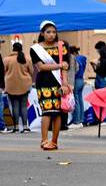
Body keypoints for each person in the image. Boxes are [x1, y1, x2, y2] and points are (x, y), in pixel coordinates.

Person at [29, 21, 70, 151]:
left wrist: (65, 84)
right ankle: (44, 140)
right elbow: (41, 67)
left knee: (57, 113)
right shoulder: (35, 48)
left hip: (58, 83)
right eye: (48, 32)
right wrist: (59, 65)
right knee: (47, 112)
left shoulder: (62, 46)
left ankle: (54, 141)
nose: (51, 35)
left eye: (53, 32)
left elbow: (66, 67)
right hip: (44, 83)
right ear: (42, 33)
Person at [3, 40, 33, 133]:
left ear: (13, 49)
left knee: (15, 106)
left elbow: (4, 71)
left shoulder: (7, 59)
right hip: (25, 84)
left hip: (11, 85)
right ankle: (25, 126)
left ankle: (15, 127)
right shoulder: (27, 58)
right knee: (24, 106)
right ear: (21, 49)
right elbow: (31, 71)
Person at [67, 45, 86, 127]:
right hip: (82, 79)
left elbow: (75, 70)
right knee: (80, 100)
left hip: (76, 79)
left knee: (76, 100)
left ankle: (77, 121)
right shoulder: (83, 58)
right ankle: (81, 119)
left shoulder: (75, 59)